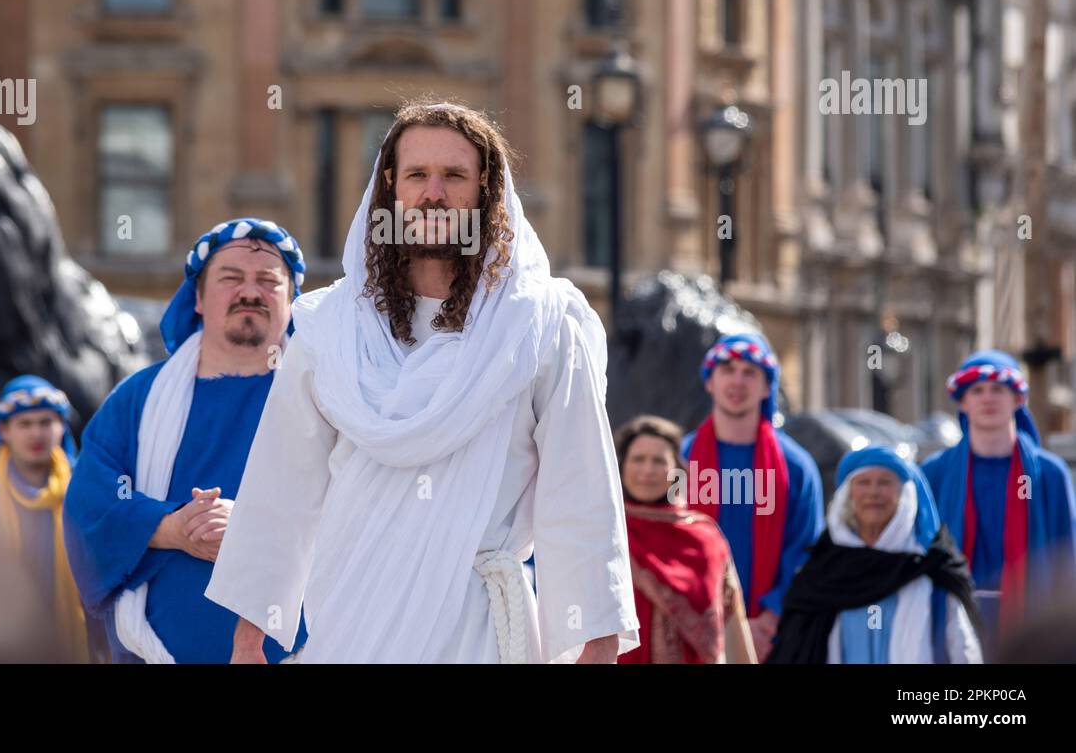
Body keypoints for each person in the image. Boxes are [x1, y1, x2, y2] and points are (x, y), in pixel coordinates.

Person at [206, 100, 638, 663]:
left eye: (454, 175)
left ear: (486, 191)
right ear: (391, 188)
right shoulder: (331, 326)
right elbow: (281, 488)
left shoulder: (541, 325)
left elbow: (579, 494)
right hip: (350, 621)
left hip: (479, 630)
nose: (434, 193)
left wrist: (597, 647)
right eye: (417, 175)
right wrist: (248, 641)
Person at [63, 219, 308, 663]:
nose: (249, 292)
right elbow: (88, 509)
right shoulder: (137, 401)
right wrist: (173, 528)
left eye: (268, 281)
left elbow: (365, 511)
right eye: (230, 278)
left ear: (293, 300)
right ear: (197, 297)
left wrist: (257, 529)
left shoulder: (327, 400)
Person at [922, 350, 1076, 656]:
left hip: (1030, 621)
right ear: (963, 403)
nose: (987, 398)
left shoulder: (1049, 473)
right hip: (954, 618)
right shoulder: (934, 471)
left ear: (1018, 400)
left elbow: (1066, 553)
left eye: (998, 389)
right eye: (976, 390)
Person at [680, 332, 824, 660]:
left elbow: (805, 550)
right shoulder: (680, 458)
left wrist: (768, 621)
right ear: (709, 381)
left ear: (766, 386)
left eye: (750, 372)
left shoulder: (796, 467)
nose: (738, 380)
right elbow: (668, 537)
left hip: (771, 637)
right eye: (727, 369)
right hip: (691, 626)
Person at [769, 445, 983, 663]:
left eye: (884, 482)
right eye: (864, 482)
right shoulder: (821, 574)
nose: (873, 492)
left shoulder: (933, 571)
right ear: (848, 495)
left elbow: (963, 651)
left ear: (904, 495)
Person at [616, 414, 755, 664]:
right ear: (621, 465)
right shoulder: (607, 532)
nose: (647, 470)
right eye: (638, 459)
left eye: (659, 461)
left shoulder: (705, 537)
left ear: (676, 470)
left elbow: (733, 621)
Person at [0, 374, 88, 660]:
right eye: (25, 424)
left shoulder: (84, 491)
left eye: (46, 422)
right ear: (3, 429)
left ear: (61, 426)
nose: (36, 434)